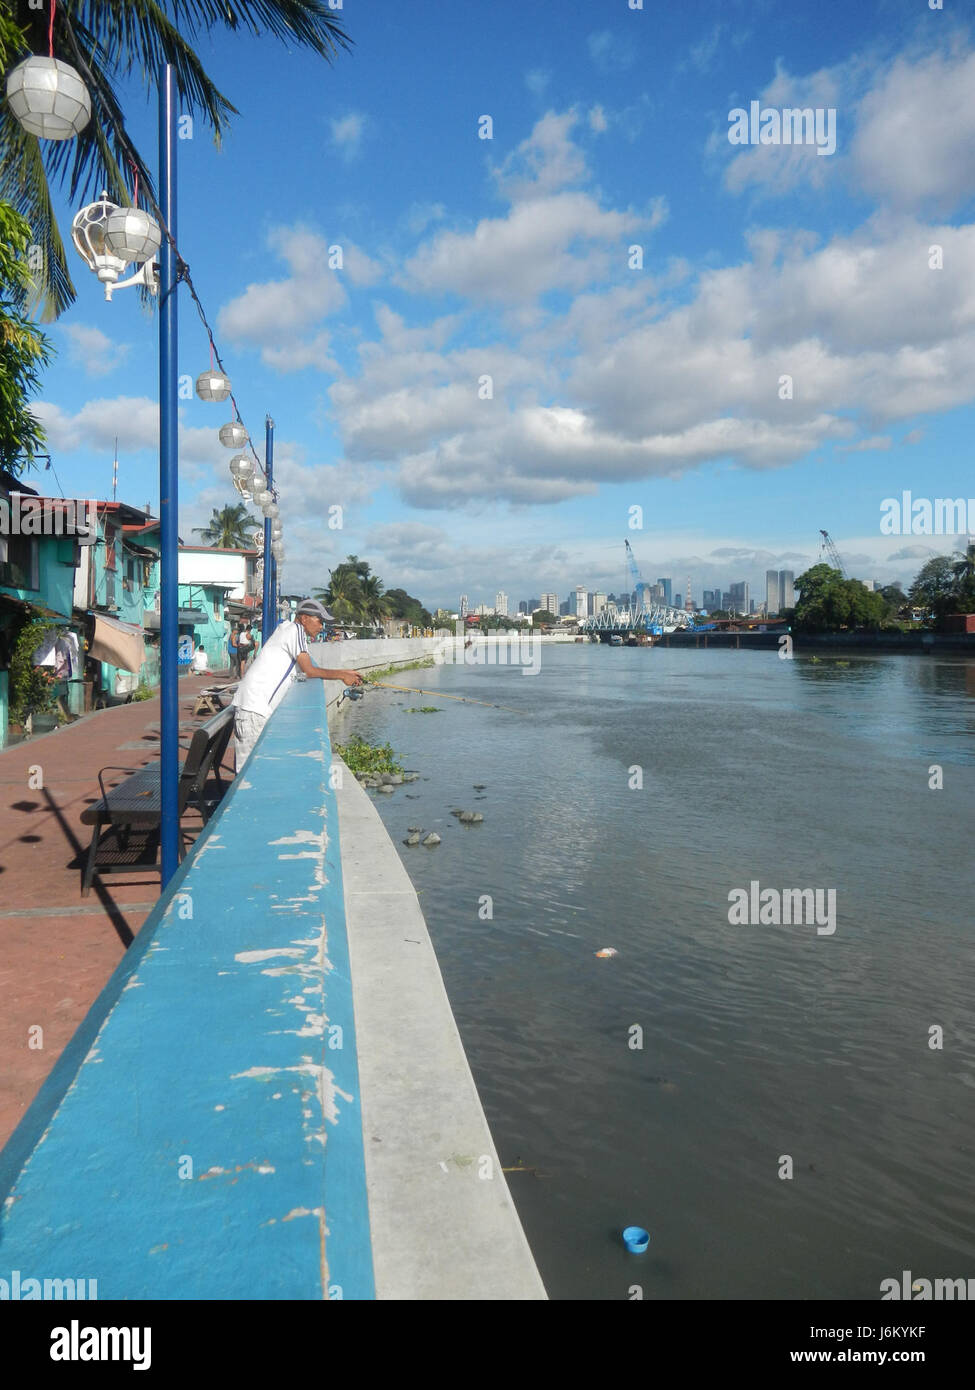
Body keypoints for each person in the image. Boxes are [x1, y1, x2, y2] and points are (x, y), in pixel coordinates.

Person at [232, 599, 363, 769]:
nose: (322, 626)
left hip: (250, 709)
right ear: (304, 618)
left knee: (249, 773)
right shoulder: (296, 631)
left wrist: (345, 673)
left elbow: (302, 671)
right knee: (250, 774)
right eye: (320, 621)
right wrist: (341, 676)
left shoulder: (287, 630)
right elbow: (309, 670)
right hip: (254, 711)